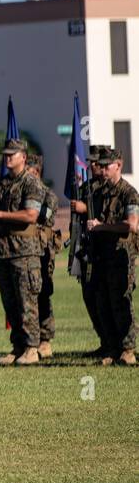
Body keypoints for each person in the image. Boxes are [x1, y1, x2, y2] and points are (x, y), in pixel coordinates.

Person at [0, 139, 48, 365]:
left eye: (12, 154)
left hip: (25, 254)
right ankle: (18, 345)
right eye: (6, 154)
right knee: (10, 304)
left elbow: (31, 215)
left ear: (23, 156)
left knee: (27, 303)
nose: (7, 157)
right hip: (3, 252)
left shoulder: (31, 183)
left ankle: (32, 348)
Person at [84, 146, 139, 366]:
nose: (103, 170)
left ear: (119, 165)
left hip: (120, 255)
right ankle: (111, 347)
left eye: (108, 166)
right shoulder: (100, 192)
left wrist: (101, 227)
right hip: (101, 255)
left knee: (121, 302)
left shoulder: (128, 193)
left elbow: (132, 225)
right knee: (103, 302)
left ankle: (127, 349)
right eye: (102, 166)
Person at [71, 145, 112, 356]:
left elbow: (106, 213)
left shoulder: (110, 188)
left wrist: (84, 208)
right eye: (92, 162)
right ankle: (104, 342)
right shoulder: (86, 186)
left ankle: (115, 345)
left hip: (106, 251)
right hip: (89, 250)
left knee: (107, 299)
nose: (93, 166)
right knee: (90, 297)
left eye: (98, 162)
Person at [26, 154, 60, 358]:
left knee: (43, 293)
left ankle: (45, 339)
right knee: (27, 296)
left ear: (36, 172)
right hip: (24, 250)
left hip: (42, 250)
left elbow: (42, 218)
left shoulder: (48, 196)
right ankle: (29, 339)